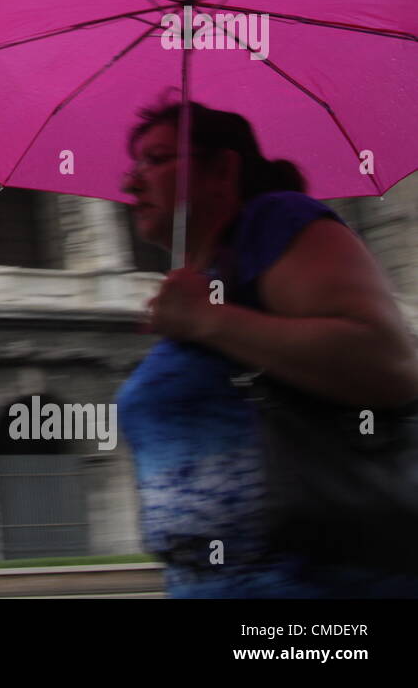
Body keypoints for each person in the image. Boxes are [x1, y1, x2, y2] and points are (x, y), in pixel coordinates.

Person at [117, 99, 418, 597]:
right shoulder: (209, 280)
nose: (131, 183)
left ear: (223, 169)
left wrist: (207, 319)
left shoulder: (276, 221)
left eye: (156, 159)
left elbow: (389, 362)